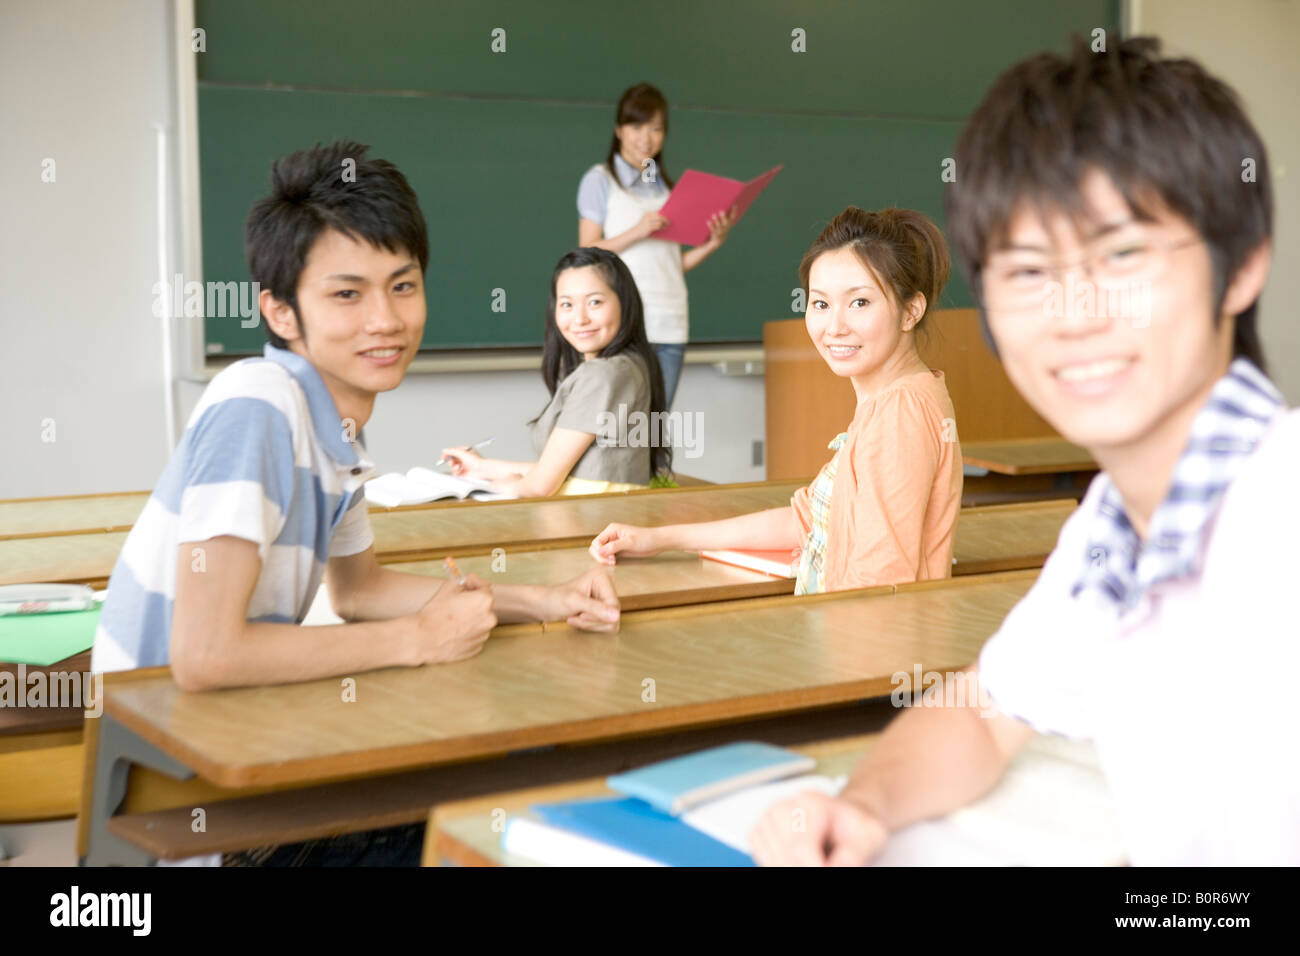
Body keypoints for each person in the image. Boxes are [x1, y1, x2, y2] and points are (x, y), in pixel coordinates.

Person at [750, 37, 1299, 867]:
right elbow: (981, 710)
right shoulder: (1113, 527)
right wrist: (862, 804)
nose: (1073, 312)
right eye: (1029, 271)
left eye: (1121, 255)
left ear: (1242, 264)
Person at [93, 141, 620, 694]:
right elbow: (205, 655)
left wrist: (548, 600)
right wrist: (418, 639)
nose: (386, 319)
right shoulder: (259, 406)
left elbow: (358, 590)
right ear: (280, 311)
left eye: (403, 286)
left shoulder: (335, 420)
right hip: (153, 732)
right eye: (348, 293)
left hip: (223, 715)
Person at [588, 207, 963, 593]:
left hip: (870, 647)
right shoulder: (892, 400)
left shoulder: (900, 413)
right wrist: (659, 539)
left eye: (860, 302)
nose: (834, 327)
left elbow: (883, 584)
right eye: (820, 304)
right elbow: (805, 520)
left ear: (910, 311)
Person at [443, 247, 672, 495]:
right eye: (567, 304)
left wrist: (503, 486)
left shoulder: (603, 374)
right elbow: (576, 473)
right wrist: (481, 467)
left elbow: (542, 486)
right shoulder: (631, 364)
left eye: (594, 302)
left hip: (588, 521)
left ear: (624, 303)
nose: (580, 318)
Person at [576, 82, 735, 406]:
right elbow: (587, 253)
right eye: (636, 126)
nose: (646, 138)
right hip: (625, 325)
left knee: (656, 430)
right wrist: (638, 231)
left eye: (656, 128)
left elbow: (671, 266)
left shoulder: (668, 188)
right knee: (622, 428)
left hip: (671, 323)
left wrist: (711, 244)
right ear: (619, 129)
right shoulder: (600, 179)